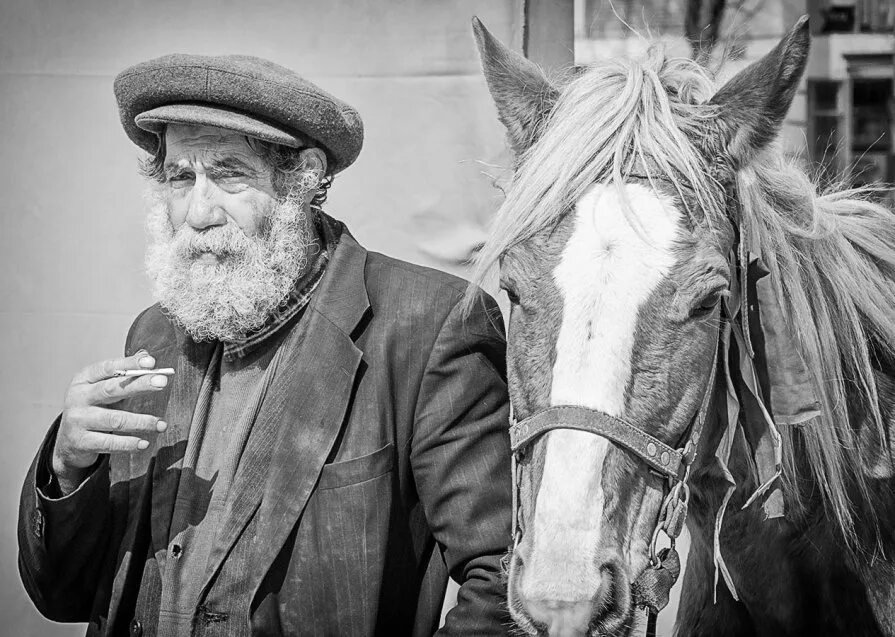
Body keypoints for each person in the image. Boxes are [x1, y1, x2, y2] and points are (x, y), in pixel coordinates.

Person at [17, 54, 512, 637]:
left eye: (229, 175)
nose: (198, 212)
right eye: (181, 177)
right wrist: (67, 466)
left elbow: (502, 577)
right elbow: (66, 594)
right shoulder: (153, 334)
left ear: (300, 182)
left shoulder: (428, 324)